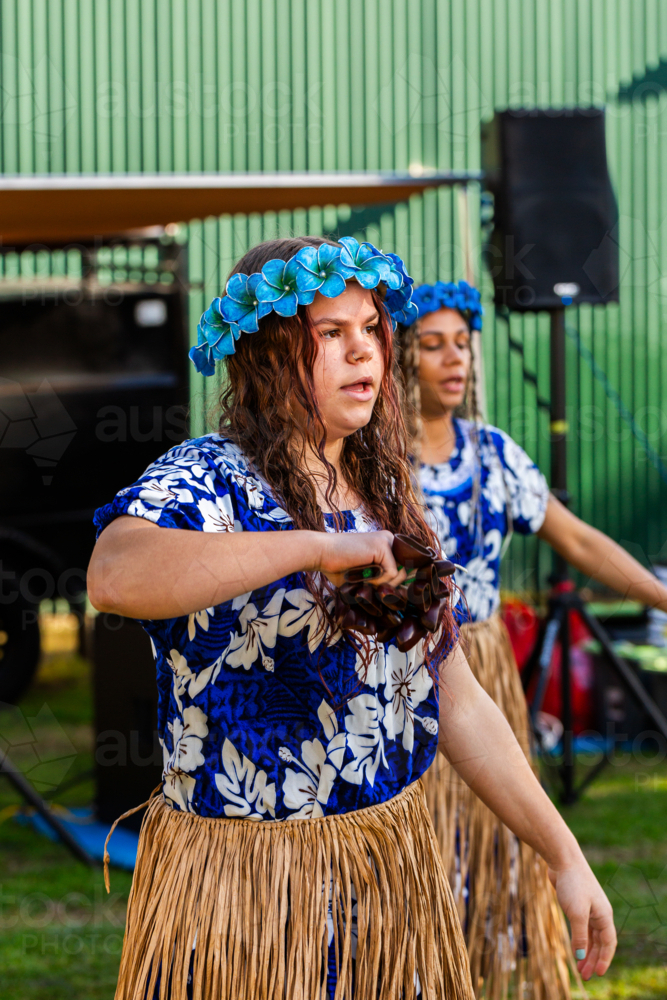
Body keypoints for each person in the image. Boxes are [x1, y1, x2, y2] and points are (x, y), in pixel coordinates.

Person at [88, 241, 615, 1000]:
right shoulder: (208, 476)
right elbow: (114, 574)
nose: (361, 348)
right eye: (330, 333)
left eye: (369, 328)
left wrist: (562, 854)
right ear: (268, 354)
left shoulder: (386, 493)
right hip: (249, 895)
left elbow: (455, 696)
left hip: (384, 880)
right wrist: (312, 546)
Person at [399, 279, 667, 1000]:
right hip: (400, 680)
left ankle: (486, 971)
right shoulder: (372, 464)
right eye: (431, 346)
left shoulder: (492, 455)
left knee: (491, 842)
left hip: (480, 669)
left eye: (462, 344)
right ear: (400, 359)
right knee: (419, 843)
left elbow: (575, 538)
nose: (453, 360)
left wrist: (660, 594)